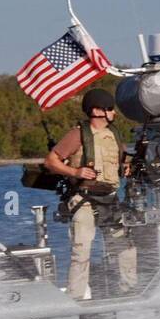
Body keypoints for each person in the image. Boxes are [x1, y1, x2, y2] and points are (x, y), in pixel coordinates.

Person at [43, 86, 138, 300]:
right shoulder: (78, 134)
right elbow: (51, 161)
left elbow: (123, 159)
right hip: (84, 199)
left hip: (110, 199)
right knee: (82, 250)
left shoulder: (113, 134)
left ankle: (129, 290)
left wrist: (127, 166)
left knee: (125, 247)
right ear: (97, 111)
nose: (114, 113)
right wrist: (75, 171)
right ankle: (76, 298)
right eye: (110, 108)